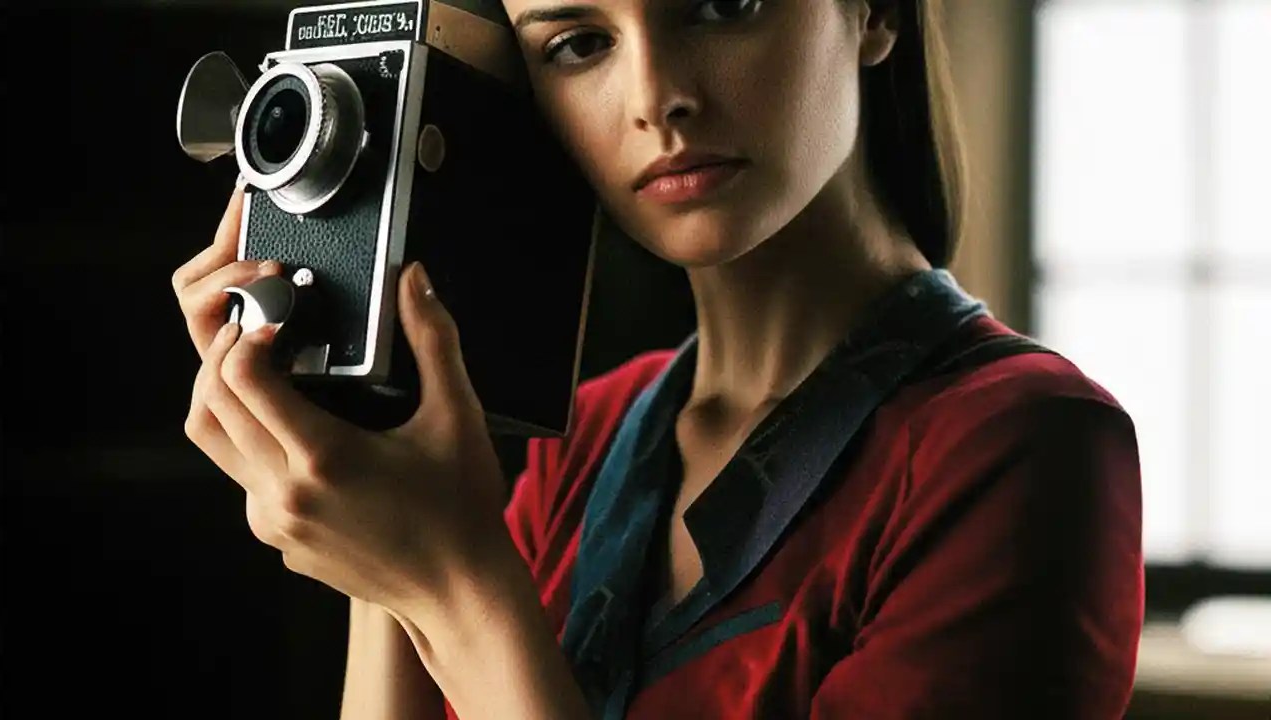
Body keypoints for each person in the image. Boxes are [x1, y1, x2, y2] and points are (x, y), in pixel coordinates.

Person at [170, 0, 1145, 717]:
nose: (654, 98)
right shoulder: (585, 434)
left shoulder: (1026, 445)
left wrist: (456, 586)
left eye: (720, 8)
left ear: (874, 13)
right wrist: (369, 470)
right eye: (579, 44)